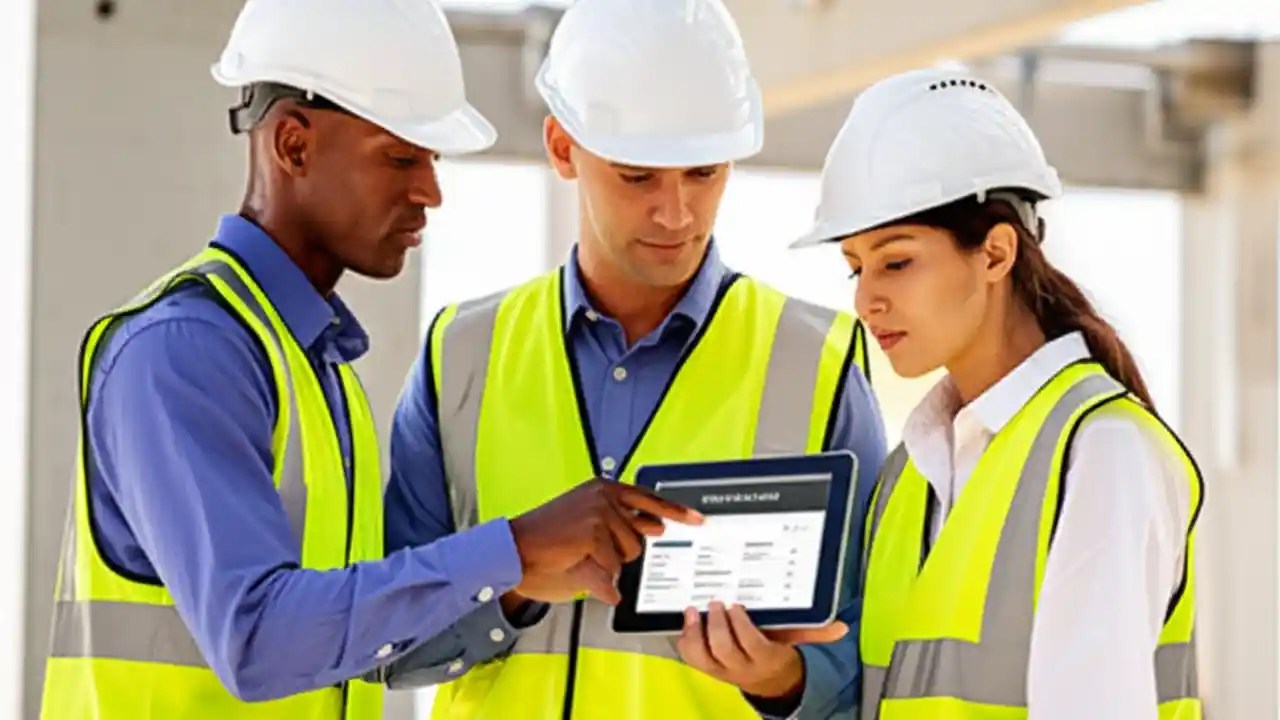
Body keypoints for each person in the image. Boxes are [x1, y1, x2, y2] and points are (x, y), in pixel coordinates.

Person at [39, 1, 701, 718]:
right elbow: (256, 639)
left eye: (432, 161)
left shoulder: (315, 368)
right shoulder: (185, 351)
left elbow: (351, 634)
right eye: (400, 158)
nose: (431, 192)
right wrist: (512, 546)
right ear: (293, 144)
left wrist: (516, 580)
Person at [374, 0, 887, 718]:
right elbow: (384, 641)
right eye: (637, 177)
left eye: (703, 174)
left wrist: (780, 679)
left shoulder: (819, 365)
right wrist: (515, 579)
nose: (676, 213)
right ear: (561, 148)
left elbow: (872, 658)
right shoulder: (461, 354)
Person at [790, 67, 1204, 720]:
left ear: (995, 253)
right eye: (855, 267)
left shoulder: (1101, 453)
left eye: (896, 262)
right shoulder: (907, 478)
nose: (867, 299)